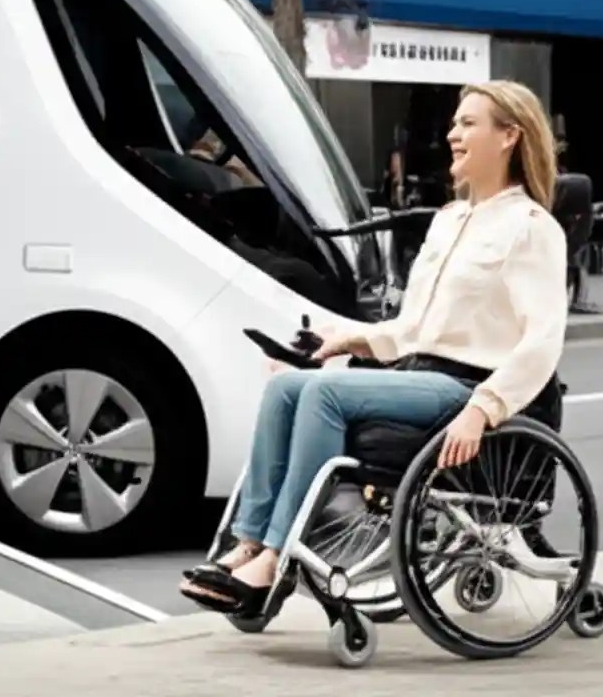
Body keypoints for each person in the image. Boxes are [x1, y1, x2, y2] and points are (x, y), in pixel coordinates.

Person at [178, 79, 568, 613]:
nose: (453, 134)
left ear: (509, 138)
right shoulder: (449, 220)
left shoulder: (533, 228)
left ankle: (276, 557)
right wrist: (349, 340)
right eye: (454, 123)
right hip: (418, 374)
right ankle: (245, 544)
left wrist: (483, 408)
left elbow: (542, 343)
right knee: (289, 386)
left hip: (464, 386)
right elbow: (413, 328)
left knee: (323, 395)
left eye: (468, 123)